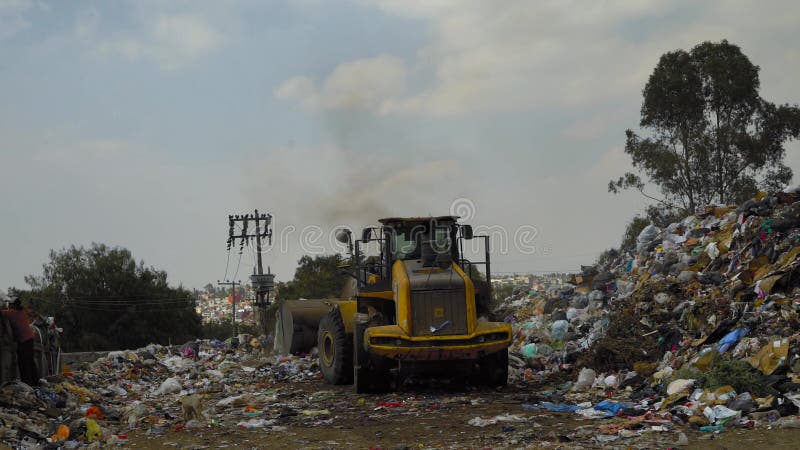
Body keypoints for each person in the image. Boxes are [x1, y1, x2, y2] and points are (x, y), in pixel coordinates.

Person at [2, 298, 38, 386]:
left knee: (24, 364)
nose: (9, 306)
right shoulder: (23, 311)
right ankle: (35, 382)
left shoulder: (11, 313)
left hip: (23, 341)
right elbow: (32, 311)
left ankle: (28, 384)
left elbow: (1, 312)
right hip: (30, 339)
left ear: (14, 305)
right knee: (30, 362)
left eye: (10, 304)